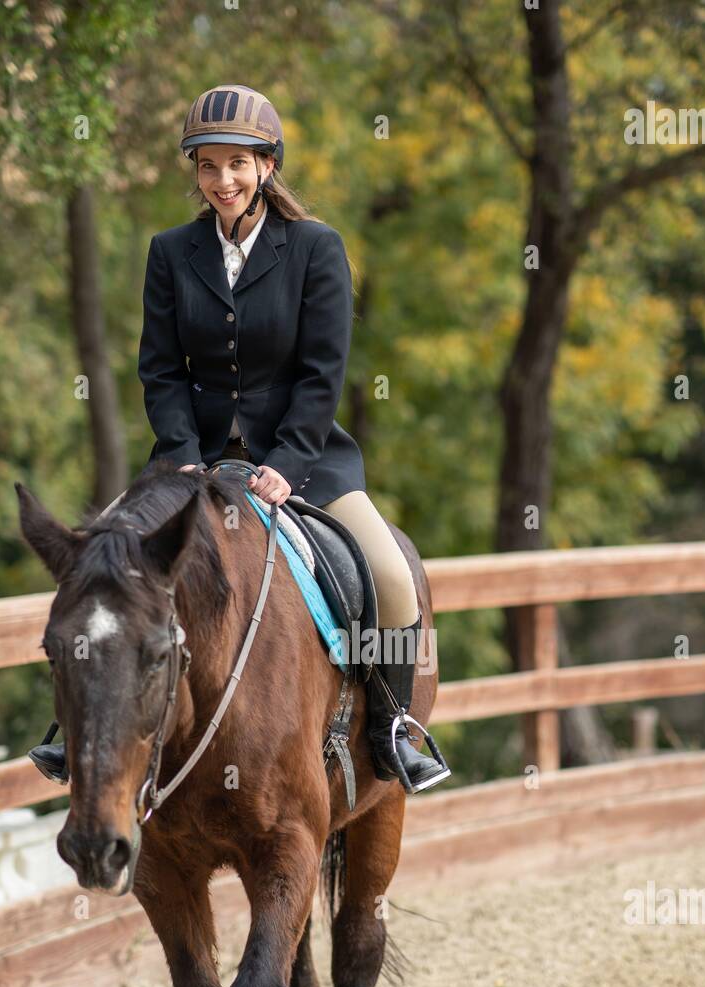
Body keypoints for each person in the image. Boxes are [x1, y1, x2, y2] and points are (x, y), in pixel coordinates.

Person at [29, 84, 450, 793]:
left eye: (238, 165)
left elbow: (323, 373)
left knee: (389, 575)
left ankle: (393, 726)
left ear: (267, 166)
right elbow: (160, 370)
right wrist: (182, 454)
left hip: (306, 462)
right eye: (209, 166)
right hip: (188, 464)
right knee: (97, 569)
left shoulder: (315, 248)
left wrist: (286, 461)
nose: (223, 180)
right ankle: (73, 731)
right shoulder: (171, 252)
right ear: (195, 173)